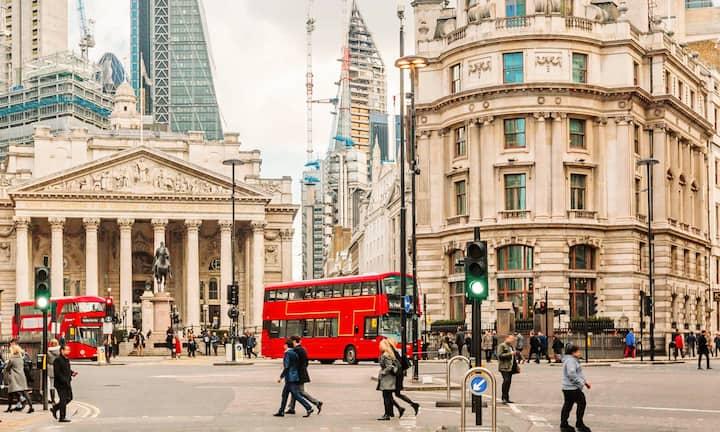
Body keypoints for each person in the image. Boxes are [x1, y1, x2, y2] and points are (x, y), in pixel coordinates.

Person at [274, 339, 314, 417]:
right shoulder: (294, 353)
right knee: (285, 394)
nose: (283, 346)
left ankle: (308, 407)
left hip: (290, 377)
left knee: (295, 395)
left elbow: (287, 367)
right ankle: (281, 411)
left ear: (286, 345)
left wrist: (281, 377)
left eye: (284, 345)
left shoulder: (287, 354)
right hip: (295, 376)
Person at [285, 336, 323, 415]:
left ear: (294, 341)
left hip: (298, 374)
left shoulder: (296, 350)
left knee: (300, 391)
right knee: (294, 390)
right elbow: (306, 362)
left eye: (291, 341)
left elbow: (294, 363)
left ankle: (317, 402)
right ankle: (291, 407)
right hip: (302, 372)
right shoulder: (303, 349)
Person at [560, 344, 592, 432]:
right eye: (578, 351)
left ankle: (564, 424)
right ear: (573, 352)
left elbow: (579, 374)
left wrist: (585, 383)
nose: (579, 352)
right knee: (582, 402)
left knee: (568, 404)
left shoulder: (572, 360)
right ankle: (579, 424)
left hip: (567, 387)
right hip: (571, 388)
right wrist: (581, 383)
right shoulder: (571, 361)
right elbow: (572, 374)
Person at [387, 338, 420, 416]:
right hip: (399, 374)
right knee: (396, 394)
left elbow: (395, 364)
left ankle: (401, 408)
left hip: (397, 375)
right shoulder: (397, 351)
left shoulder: (392, 352)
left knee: (388, 394)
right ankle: (411, 405)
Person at [3, 344, 34, 413]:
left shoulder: (12, 359)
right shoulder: (21, 359)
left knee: (10, 393)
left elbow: (7, 368)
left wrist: (6, 367)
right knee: (25, 392)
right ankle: (31, 406)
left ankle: (9, 408)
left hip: (14, 378)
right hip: (22, 377)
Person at [376, 338, 400, 421]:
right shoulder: (389, 353)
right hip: (390, 378)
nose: (379, 346)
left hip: (387, 379)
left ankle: (387, 414)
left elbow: (389, 366)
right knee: (388, 397)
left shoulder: (386, 355)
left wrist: (383, 372)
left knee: (386, 397)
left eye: (380, 345)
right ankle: (390, 413)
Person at [51, 344, 76, 423]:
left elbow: (67, 370)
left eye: (69, 350)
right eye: (67, 350)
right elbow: (57, 373)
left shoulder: (66, 359)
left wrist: (72, 373)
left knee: (69, 398)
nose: (69, 351)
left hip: (67, 382)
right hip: (60, 384)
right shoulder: (57, 360)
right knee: (63, 400)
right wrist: (64, 380)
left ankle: (55, 408)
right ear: (62, 351)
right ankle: (62, 417)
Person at [497, 334, 517, 404]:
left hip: (510, 367)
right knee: (506, 380)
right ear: (507, 338)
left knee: (508, 382)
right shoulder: (502, 345)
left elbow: (513, 358)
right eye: (511, 339)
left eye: (513, 340)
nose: (512, 341)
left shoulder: (511, 346)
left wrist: (516, 366)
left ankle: (507, 398)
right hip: (504, 367)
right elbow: (500, 355)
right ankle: (504, 397)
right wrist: (510, 353)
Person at [47, 339, 61, 405]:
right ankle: (61, 399)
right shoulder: (60, 351)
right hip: (58, 369)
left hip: (50, 368)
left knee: (51, 385)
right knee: (59, 385)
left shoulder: (48, 351)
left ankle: (52, 400)